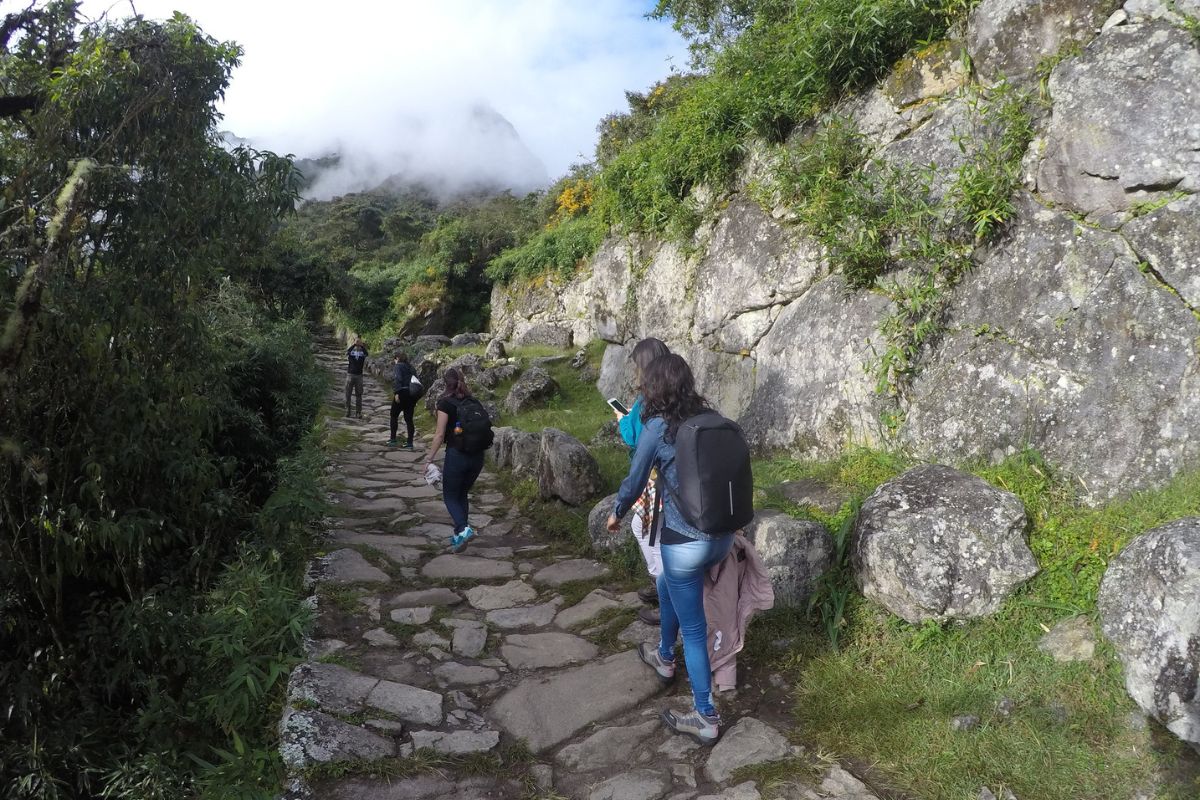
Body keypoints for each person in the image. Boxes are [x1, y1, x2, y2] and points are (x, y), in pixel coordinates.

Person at [607, 354, 734, 745]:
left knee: (692, 631)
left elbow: (634, 481)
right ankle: (663, 655)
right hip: (722, 537)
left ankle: (705, 715)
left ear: (653, 387)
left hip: (686, 545)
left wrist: (616, 513)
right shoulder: (712, 419)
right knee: (665, 582)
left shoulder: (657, 427)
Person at [613, 337, 671, 626]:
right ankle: (661, 584)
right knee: (651, 531)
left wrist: (621, 418)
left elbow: (633, 437)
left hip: (657, 480)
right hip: (675, 479)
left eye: (636, 365)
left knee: (649, 532)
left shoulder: (645, 401)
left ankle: (664, 593)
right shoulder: (674, 396)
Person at [424, 368, 485, 553]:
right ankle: (460, 536)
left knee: (450, 495)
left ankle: (463, 529)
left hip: (457, 455)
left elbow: (439, 434)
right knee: (462, 494)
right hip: (478, 457)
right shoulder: (474, 401)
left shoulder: (445, 403)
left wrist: (429, 459)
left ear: (445, 383)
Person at [388, 351, 417, 449]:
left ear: (397, 358)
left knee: (394, 415)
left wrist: (396, 393)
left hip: (402, 393)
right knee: (409, 419)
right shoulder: (411, 367)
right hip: (411, 394)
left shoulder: (398, 366)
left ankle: (393, 439)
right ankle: (410, 443)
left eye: (394, 359)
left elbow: (398, 379)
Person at [345, 337, 368, 418]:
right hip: (350, 374)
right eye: (356, 342)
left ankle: (358, 412)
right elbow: (347, 352)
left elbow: (367, 354)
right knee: (348, 394)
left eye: (359, 342)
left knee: (359, 394)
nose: (358, 344)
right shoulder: (351, 352)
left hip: (359, 376)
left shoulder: (362, 353)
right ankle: (348, 410)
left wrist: (361, 346)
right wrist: (354, 345)